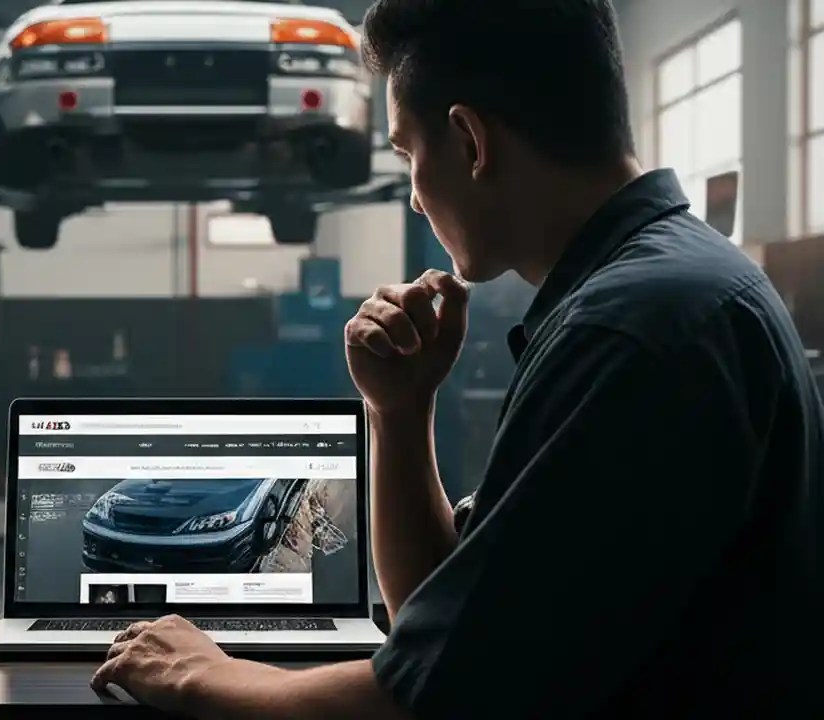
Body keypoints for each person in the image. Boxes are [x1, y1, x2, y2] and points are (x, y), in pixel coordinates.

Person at [90, 0, 822, 717]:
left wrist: (202, 675)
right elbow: (450, 633)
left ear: (470, 141)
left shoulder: (630, 332)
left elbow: (437, 699)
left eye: (407, 151)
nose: (412, 195)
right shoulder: (665, 290)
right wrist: (398, 414)